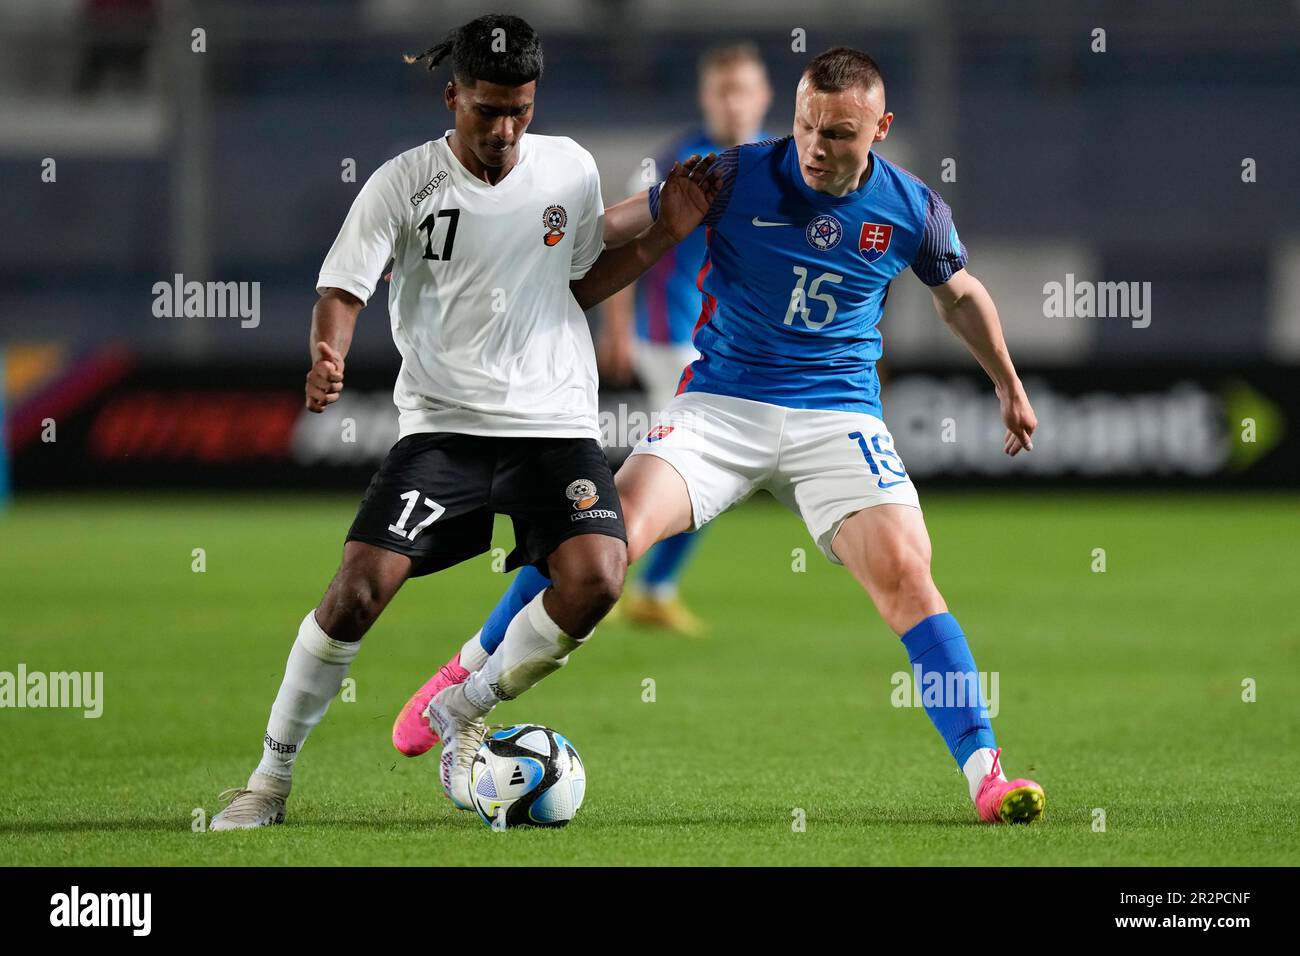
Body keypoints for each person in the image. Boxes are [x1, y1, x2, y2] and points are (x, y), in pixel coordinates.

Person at [397, 46, 1046, 825]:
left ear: (881, 128)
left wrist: (1008, 385)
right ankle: (464, 677)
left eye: (838, 133)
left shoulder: (912, 209)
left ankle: (987, 775)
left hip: (837, 418)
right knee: (600, 541)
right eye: (807, 125)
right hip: (720, 408)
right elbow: (607, 231)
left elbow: (961, 297)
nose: (815, 145)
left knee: (910, 575)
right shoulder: (729, 175)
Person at [209, 13, 719, 830]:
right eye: (487, 109)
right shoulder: (403, 184)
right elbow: (343, 288)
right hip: (443, 430)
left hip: (554, 425)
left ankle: (467, 706)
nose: (505, 128)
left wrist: (665, 233)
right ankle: (268, 780)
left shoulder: (569, 167)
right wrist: (328, 355)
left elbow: (579, 282)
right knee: (356, 594)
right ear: (453, 97)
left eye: (519, 108)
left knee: (597, 577)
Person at [597, 41, 772, 635]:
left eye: (744, 88)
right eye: (723, 90)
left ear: (764, 95)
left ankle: (629, 580)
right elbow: (621, 242)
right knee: (700, 468)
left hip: (723, 343)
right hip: (672, 337)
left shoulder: (776, 160)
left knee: (698, 470)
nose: (734, 101)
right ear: (706, 97)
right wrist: (615, 327)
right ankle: (609, 577)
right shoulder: (679, 161)